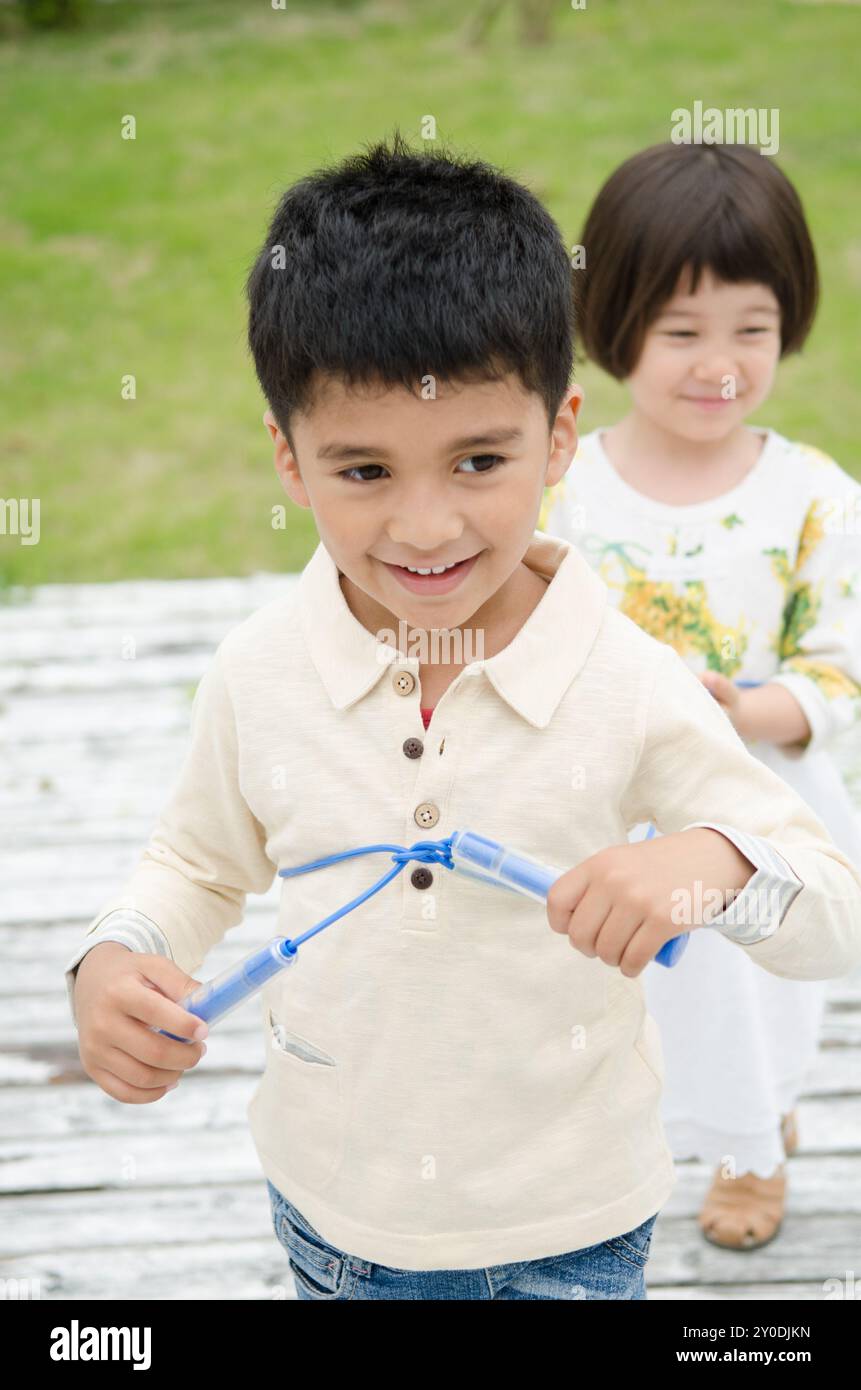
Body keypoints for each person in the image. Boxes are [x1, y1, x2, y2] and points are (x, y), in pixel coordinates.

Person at [64, 132, 861, 1300]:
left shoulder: (624, 678)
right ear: (288, 459)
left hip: (573, 1235)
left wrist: (704, 865)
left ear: (562, 436)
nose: (428, 527)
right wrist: (120, 954)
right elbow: (195, 857)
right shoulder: (261, 670)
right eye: (366, 472)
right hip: (331, 1222)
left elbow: (827, 907)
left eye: (481, 459)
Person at [540, 140, 861, 1251]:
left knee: (747, 993)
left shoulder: (813, 496)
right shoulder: (563, 488)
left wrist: (749, 713)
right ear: (614, 322)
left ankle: (750, 1140)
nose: (718, 362)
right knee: (617, 990)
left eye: (752, 330)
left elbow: (844, 660)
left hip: (753, 802)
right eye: (682, 332)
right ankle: (622, 1138)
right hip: (609, 796)